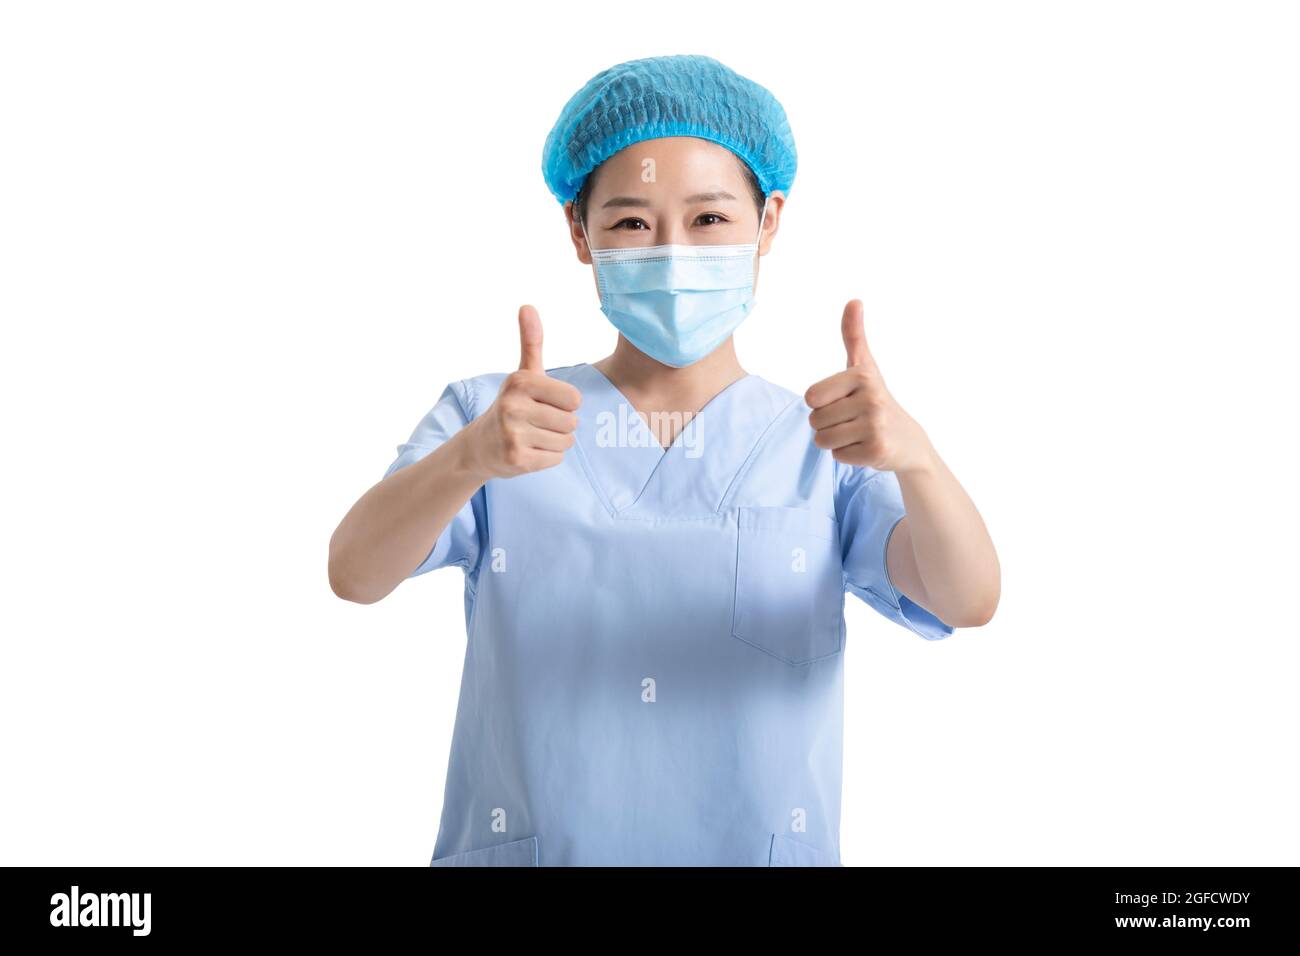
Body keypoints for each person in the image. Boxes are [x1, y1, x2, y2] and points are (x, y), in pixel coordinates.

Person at [328, 54, 1000, 866]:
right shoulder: (498, 422)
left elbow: (966, 599)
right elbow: (355, 573)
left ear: (770, 221)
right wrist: (464, 462)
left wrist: (918, 461)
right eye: (631, 222)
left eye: (710, 220)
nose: (673, 252)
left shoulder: (827, 442)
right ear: (580, 232)